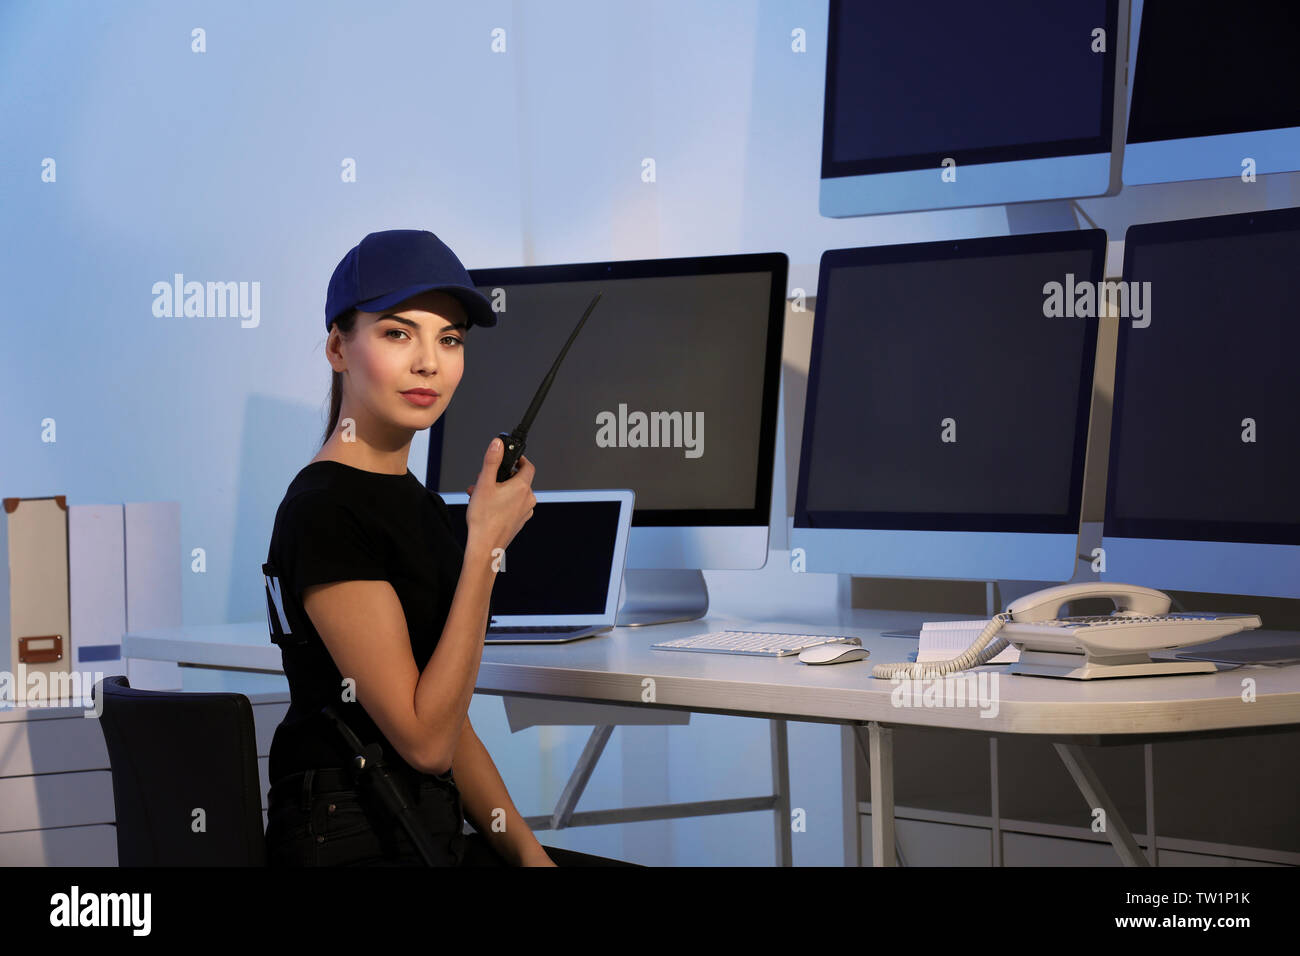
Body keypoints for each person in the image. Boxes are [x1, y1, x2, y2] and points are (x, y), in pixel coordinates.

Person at [262, 229, 636, 866]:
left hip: (423, 829)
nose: (429, 362)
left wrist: (529, 855)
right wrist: (485, 545)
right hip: (353, 840)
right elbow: (426, 742)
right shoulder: (324, 510)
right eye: (398, 333)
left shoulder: (419, 505)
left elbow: (449, 719)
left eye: (450, 339)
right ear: (337, 347)